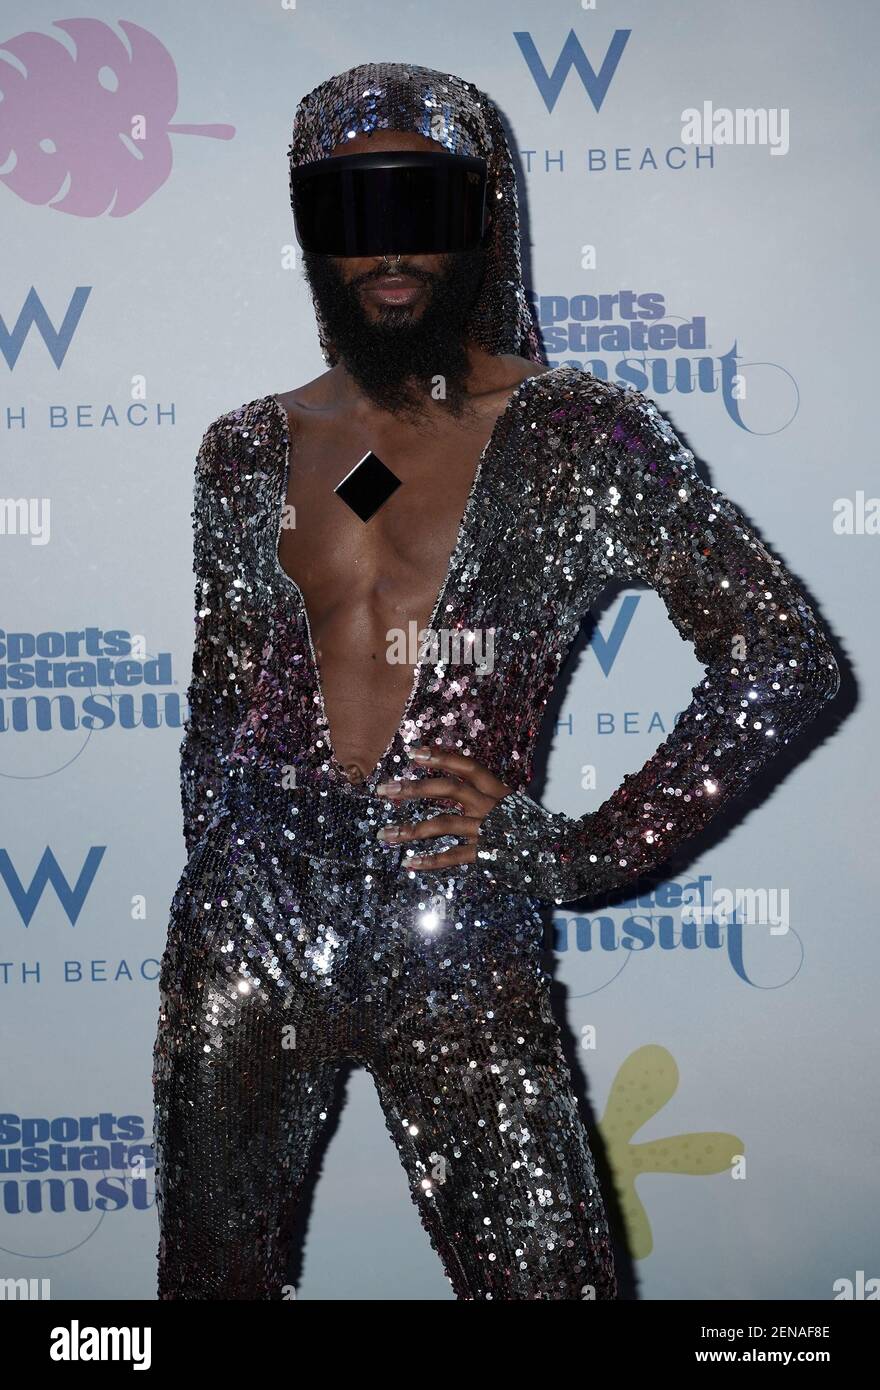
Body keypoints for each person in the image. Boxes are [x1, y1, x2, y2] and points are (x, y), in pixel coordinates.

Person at [152, 62, 840, 1301]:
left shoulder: (579, 434)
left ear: (482, 216)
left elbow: (783, 654)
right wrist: (223, 865)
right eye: (356, 213)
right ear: (312, 231)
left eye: (423, 203)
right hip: (245, 931)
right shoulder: (245, 448)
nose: (392, 250)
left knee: (549, 1281)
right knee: (210, 1280)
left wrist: (579, 853)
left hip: (458, 923)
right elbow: (218, 698)